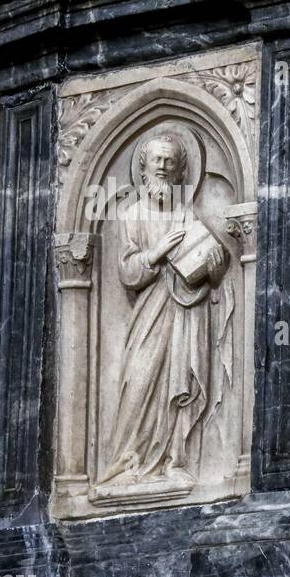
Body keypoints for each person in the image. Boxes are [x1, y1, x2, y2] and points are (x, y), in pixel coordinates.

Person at [99, 132, 230, 486]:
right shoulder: (133, 214)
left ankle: (175, 459)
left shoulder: (187, 214)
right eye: (156, 160)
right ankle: (127, 462)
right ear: (142, 169)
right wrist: (156, 252)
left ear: (180, 171)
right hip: (148, 316)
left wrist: (216, 264)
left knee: (182, 381)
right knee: (139, 380)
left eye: (169, 161)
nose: (162, 166)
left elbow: (209, 269)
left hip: (187, 314)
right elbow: (128, 273)